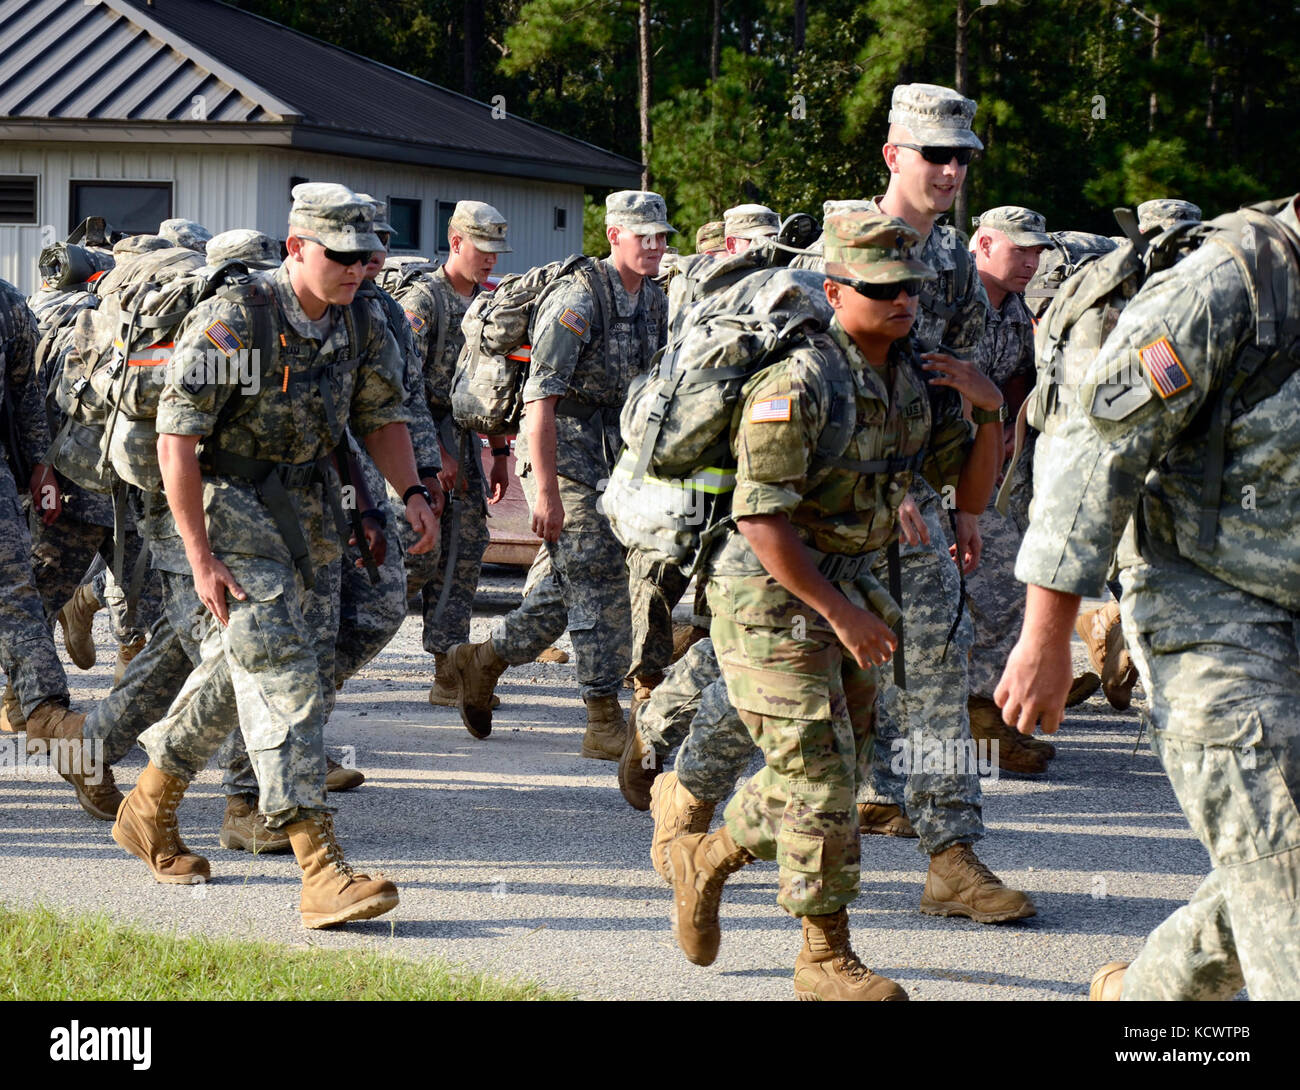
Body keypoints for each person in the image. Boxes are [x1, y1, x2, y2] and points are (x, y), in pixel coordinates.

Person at [668, 210, 1004, 999]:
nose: (900, 300)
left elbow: (972, 491)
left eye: (908, 288)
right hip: (769, 594)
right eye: (878, 287)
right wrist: (842, 613)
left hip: (849, 585)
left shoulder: (916, 379)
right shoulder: (800, 381)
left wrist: (989, 409)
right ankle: (824, 958)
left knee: (824, 771)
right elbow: (759, 520)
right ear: (834, 290)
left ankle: (706, 856)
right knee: (821, 778)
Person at [998, 193, 1300, 1000]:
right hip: (1208, 616)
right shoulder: (1228, 287)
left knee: (1270, 872)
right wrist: (1044, 641)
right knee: (1283, 871)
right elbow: (1095, 454)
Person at [116, 183, 438, 930]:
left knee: (261, 661)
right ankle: (320, 868)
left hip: (303, 501)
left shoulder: (361, 323)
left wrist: (412, 492)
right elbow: (178, 441)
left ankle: (150, 803)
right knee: (284, 661)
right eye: (343, 256)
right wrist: (198, 556)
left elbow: (380, 414)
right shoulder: (241, 320)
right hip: (216, 494)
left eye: (368, 257)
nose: (359, 269)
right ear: (297, 248)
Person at [443, 191, 670, 760]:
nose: (656, 245)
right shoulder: (578, 298)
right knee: (598, 579)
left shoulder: (657, 301)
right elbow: (540, 402)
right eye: (644, 235)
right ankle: (602, 717)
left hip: (619, 451)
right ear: (614, 234)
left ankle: (484, 658)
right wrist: (543, 493)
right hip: (564, 448)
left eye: (662, 235)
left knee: (570, 586)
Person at [962, 206, 1069, 769]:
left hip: (987, 463)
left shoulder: (1012, 308)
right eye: (1019, 249)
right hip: (934, 464)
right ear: (983, 244)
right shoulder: (951, 297)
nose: (1031, 261)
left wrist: (1006, 425)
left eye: (1036, 251)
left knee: (1002, 583)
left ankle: (987, 715)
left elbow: (1020, 373)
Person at [393, 201, 511, 707]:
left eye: (495, 251)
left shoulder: (490, 305)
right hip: (422, 440)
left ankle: (448, 669)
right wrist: (432, 454)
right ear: (456, 241)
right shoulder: (424, 301)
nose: (490, 259)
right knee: (417, 556)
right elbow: (403, 387)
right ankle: (336, 644)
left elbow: (498, 384)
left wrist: (501, 451)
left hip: (466, 437)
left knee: (464, 554)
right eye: (482, 248)